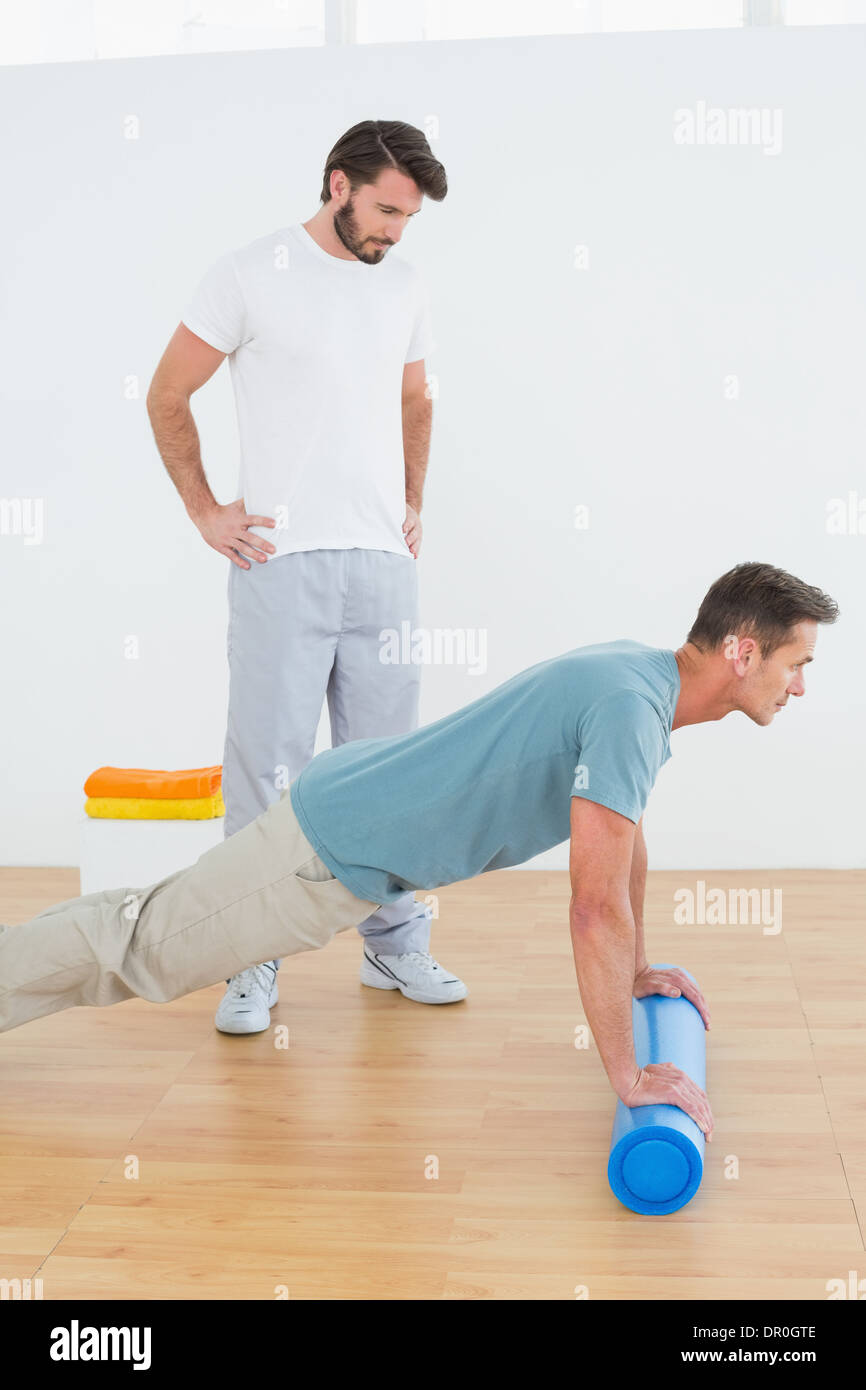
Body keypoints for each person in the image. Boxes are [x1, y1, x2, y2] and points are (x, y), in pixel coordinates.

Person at [0, 563, 838, 1137]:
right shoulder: (632, 710)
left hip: (346, 821)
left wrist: (640, 968)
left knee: (136, 933)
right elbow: (592, 908)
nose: (799, 685)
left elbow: (625, 849)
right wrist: (628, 1075)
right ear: (742, 650)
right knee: (140, 950)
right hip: (325, 849)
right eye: (796, 662)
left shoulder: (641, 680)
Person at [145, 119, 465, 1035]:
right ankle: (253, 959)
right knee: (266, 771)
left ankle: (393, 944)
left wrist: (413, 503)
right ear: (338, 185)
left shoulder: (403, 284)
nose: (396, 231)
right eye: (386, 210)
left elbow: (415, 397)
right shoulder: (247, 273)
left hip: (381, 564)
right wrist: (208, 512)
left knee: (393, 773)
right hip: (280, 562)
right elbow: (167, 393)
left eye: (408, 217)